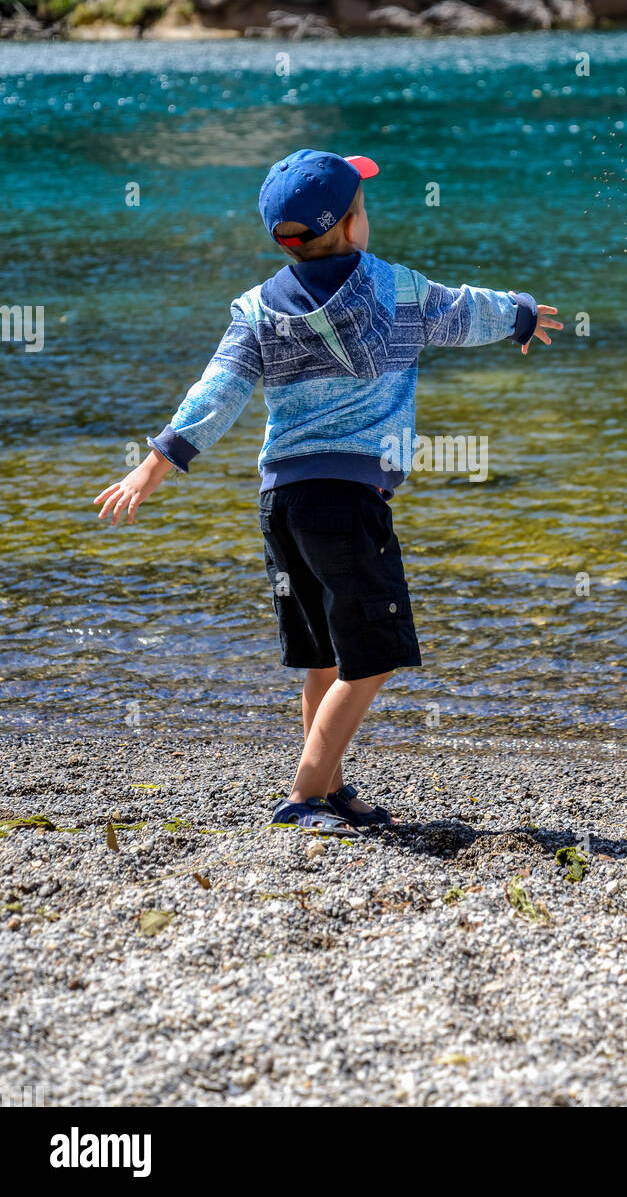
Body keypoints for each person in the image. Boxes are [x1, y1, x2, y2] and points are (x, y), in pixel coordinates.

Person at [94, 149, 562, 834]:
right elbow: (462, 311)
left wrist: (154, 462)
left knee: (323, 655)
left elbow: (216, 394)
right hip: (348, 501)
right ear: (349, 225)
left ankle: (334, 791)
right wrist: (520, 314)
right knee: (375, 655)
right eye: (362, 207)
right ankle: (304, 796)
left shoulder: (255, 309)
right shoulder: (394, 291)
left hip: (281, 503)